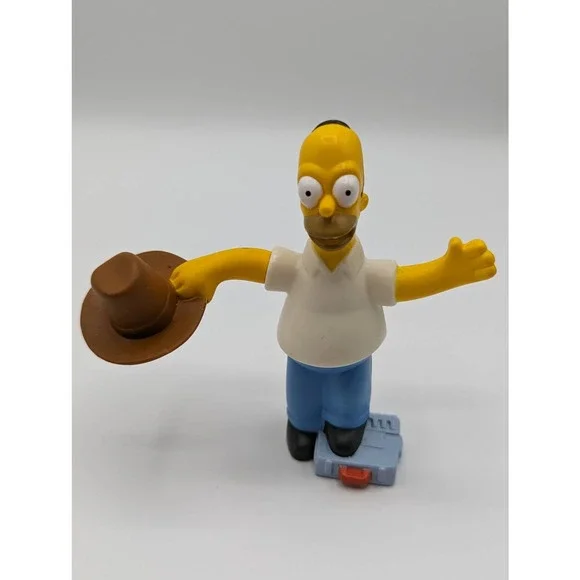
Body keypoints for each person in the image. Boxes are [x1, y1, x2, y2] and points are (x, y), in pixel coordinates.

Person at [170, 120, 497, 461]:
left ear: (362, 199)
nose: (326, 209)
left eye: (345, 192)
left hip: (353, 361)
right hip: (301, 360)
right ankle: (303, 423)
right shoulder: (295, 268)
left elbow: (404, 284)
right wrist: (209, 268)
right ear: (300, 200)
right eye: (310, 193)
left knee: (347, 420)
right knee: (301, 414)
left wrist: (447, 273)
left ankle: (347, 422)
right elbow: (247, 262)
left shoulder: (367, 275)